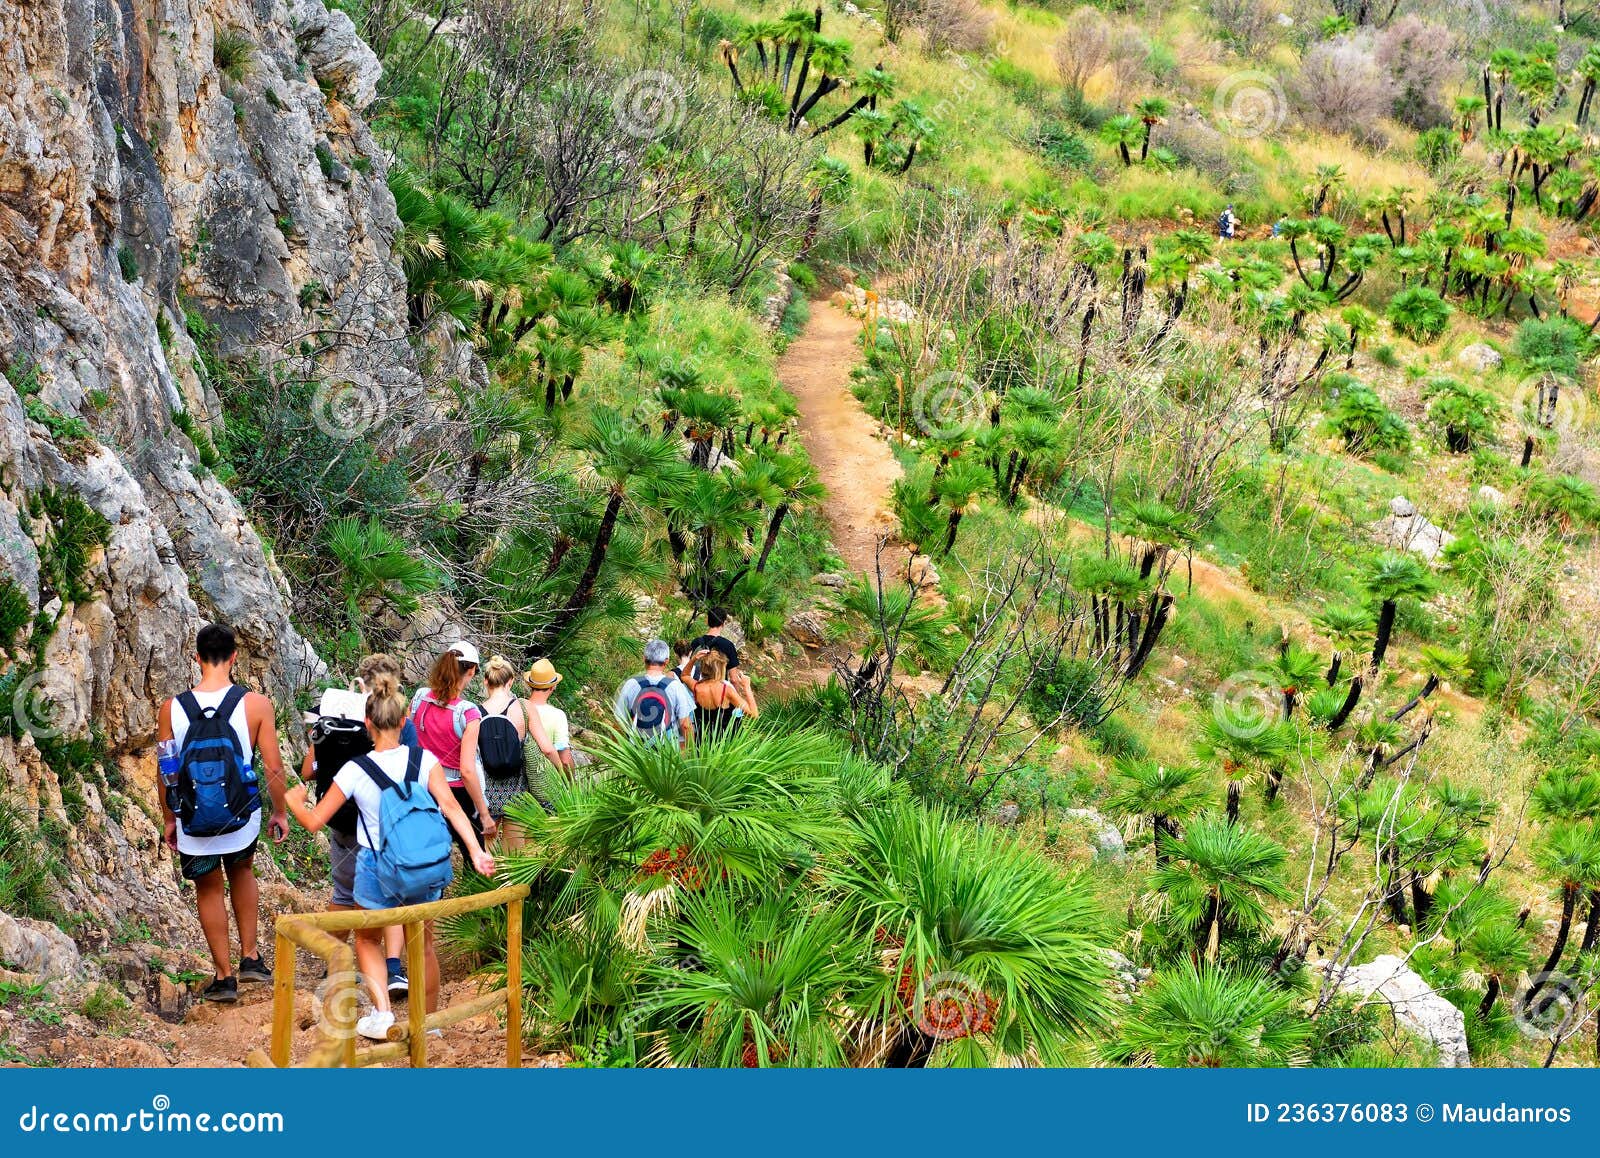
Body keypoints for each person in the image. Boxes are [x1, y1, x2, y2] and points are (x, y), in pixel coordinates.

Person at [286, 671, 494, 1041]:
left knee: (368, 941)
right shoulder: (424, 759)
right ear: (403, 722)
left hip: (376, 868)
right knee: (424, 944)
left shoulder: (355, 770)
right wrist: (476, 851)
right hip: (421, 864)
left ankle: (383, 1015)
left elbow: (316, 821)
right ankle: (428, 1024)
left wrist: (293, 803)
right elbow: (452, 808)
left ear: (367, 724)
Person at [157, 623, 287, 1003]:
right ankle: (250, 957)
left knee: (208, 887)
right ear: (234, 658)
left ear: (196, 658)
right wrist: (280, 812)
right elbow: (273, 768)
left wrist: (169, 817)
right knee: (242, 870)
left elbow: (167, 769)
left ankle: (224, 976)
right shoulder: (256, 704)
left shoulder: (172, 708)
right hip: (242, 817)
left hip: (193, 818)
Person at [300, 653, 420, 998]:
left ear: (360, 680)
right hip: (387, 823)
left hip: (343, 819)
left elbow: (309, 770)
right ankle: (394, 969)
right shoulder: (401, 723)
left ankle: (334, 962)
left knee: (343, 893)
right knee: (394, 898)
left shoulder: (336, 714)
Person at [410, 642, 496, 860]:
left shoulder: (420, 698)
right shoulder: (468, 713)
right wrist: (484, 814)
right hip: (456, 792)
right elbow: (467, 771)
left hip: (422, 785)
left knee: (426, 852)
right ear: (471, 671)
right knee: (473, 852)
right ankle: (475, 891)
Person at [461, 656, 551, 853]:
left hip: (486, 793)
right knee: (515, 856)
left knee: (489, 854)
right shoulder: (525, 707)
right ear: (511, 681)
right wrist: (559, 772)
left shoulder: (474, 712)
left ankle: (489, 883)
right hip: (517, 793)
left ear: (485, 681)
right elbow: (547, 748)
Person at [615, 639, 695, 748]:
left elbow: (619, 723)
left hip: (636, 753)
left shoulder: (631, 684)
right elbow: (685, 725)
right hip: (666, 752)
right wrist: (691, 751)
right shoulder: (675, 686)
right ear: (666, 661)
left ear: (644, 658)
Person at [522, 658, 574, 812]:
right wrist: (570, 782)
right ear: (553, 686)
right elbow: (564, 759)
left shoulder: (517, 708)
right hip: (546, 788)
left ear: (529, 684)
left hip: (518, 785)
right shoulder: (557, 715)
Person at [681, 646, 757, 742]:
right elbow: (753, 714)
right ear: (720, 669)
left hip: (703, 741)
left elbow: (684, 675)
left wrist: (694, 659)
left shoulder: (696, 687)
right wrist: (747, 686)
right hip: (725, 743)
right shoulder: (726, 690)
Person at [681, 608, 753, 704]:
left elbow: (687, 669)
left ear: (707, 621)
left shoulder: (695, 642)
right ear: (723, 623)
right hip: (718, 697)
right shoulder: (728, 645)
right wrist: (736, 701)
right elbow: (734, 679)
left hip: (696, 693)